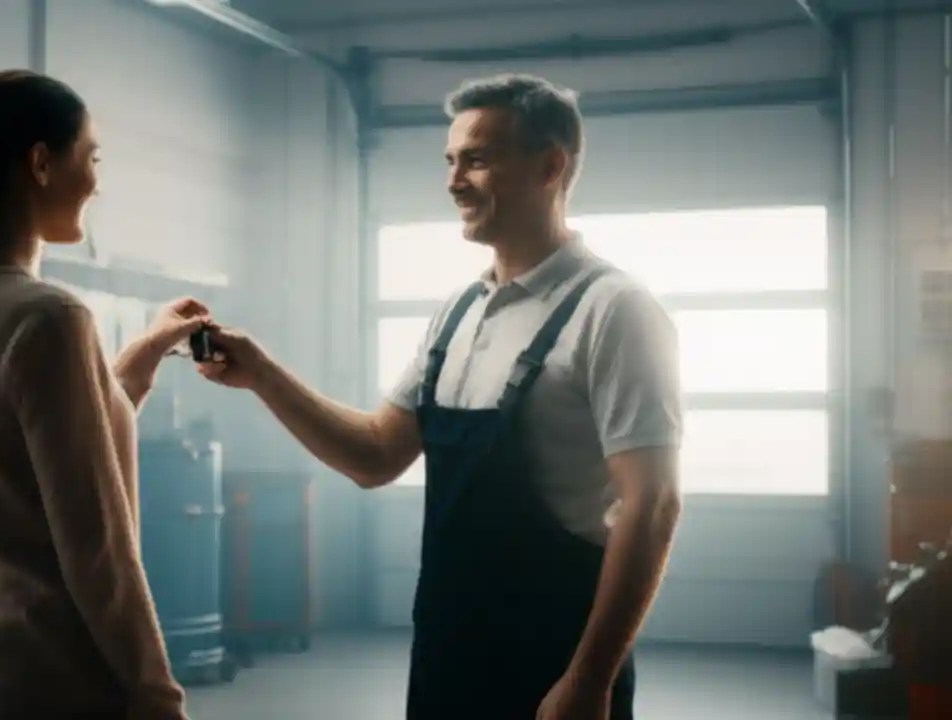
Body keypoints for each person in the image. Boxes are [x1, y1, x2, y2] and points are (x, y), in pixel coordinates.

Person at [197, 73, 683, 719]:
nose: (454, 180)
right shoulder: (456, 314)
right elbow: (375, 456)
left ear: (551, 166)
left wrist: (590, 678)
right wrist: (261, 374)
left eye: (478, 160)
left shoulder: (615, 311)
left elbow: (651, 505)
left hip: (555, 662)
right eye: (451, 161)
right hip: (449, 656)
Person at [0, 69, 202, 720]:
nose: (97, 181)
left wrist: (137, 362)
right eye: (91, 158)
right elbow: (99, 558)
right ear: (40, 163)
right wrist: (159, 698)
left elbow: (33, 450)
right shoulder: (49, 317)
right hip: (34, 683)